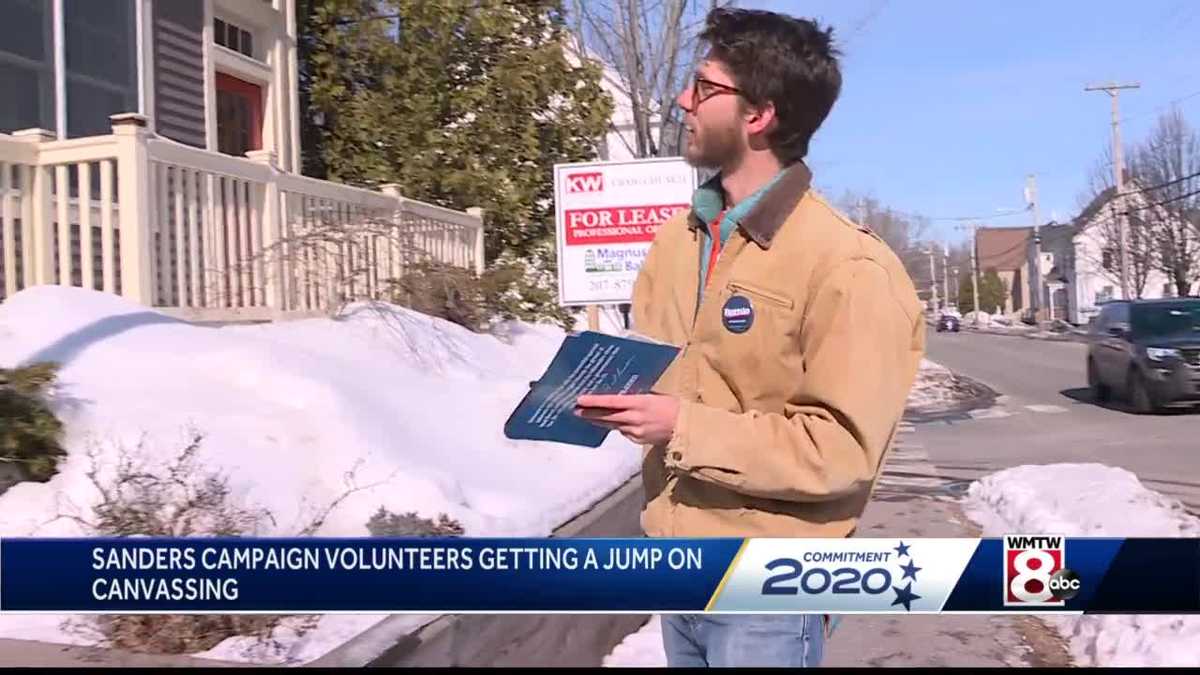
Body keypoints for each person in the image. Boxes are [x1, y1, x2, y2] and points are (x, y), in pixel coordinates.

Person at [574, 6, 925, 669]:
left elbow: (838, 450)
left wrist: (681, 424)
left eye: (704, 87)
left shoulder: (848, 266)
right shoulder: (675, 244)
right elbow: (673, 375)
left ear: (758, 115)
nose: (683, 99)